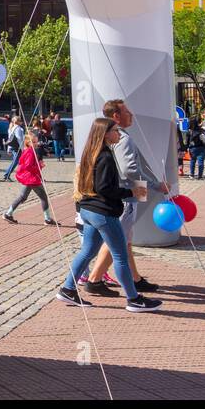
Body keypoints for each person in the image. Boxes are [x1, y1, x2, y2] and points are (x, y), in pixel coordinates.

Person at [56, 117, 162, 311]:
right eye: (115, 130)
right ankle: (134, 299)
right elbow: (105, 189)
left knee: (87, 251)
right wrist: (130, 192)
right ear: (105, 134)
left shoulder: (91, 152)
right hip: (102, 212)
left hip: (88, 209)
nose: (119, 134)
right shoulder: (105, 156)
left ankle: (67, 289)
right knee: (120, 255)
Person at [81, 99, 168, 295]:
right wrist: (154, 185)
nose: (132, 115)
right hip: (125, 197)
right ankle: (94, 280)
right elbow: (129, 170)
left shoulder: (114, 138)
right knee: (117, 241)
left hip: (120, 196)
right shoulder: (123, 138)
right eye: (127, 112)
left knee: (125, 240)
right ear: (116, 117)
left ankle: (134, 279)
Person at [2, 131, 54, 225]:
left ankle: (8, 213)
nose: (36, 143)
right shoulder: (30, 152)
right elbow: (28, 166)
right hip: (31, 178)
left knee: (22, 197)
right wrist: (40, 165)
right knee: (43, 197)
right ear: (28, 142)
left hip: (29, 178)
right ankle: (47, 219)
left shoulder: (29, 150)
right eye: (33, 142)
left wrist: (39, 168)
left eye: (36, 141)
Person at [1, 116, 26, 181]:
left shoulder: (11, 128)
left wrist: (9, 149)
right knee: (16, 162)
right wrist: (23, 149)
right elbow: (19, 139)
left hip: (13, 146)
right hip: (17, 147)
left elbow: (10, 139)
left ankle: (22, 175)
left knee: (18, 162)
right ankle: (7, 175)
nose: (22, 122)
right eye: (21, 121)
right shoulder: (18, 128)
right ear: (18, 122)